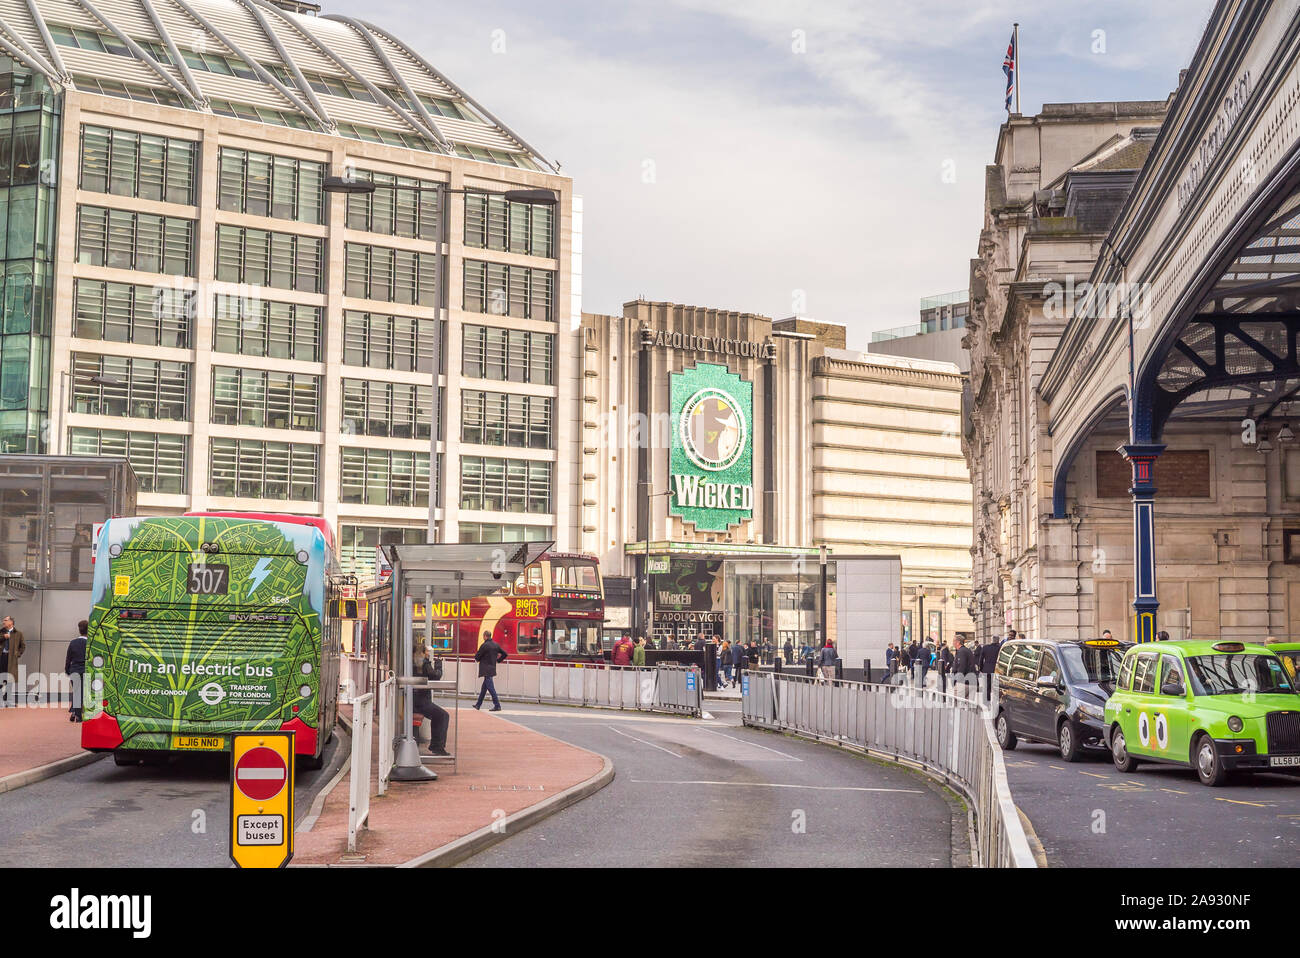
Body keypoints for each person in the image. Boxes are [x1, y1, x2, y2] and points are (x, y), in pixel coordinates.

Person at [412, 641, 450, 755]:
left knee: (438, 716)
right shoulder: (424, 663)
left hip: (412, 699)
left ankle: (436, 745)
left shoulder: (411, 662)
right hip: (420, 702)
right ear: (423, 652)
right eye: (427, 651)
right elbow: (435, 676)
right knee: (442, 716)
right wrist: (439, 665)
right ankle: (437, 746)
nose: (428, 653)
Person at [473, 630, 507, 711]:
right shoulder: (496, 645)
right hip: (492, 668)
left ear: (485, 636)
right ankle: (478, 705)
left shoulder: (484, 645)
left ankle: (497, 705)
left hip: (485, 669)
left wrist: (479, 658)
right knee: (484, 688)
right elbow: (505, 654)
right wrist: (498, 660)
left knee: (491, 688)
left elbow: (477, 657)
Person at [65, 620, 88, 723]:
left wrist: (67, 670)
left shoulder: (73, 642)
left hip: (74, 670)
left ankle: (74, 712)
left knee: (76, 692)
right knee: (82, 693)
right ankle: (78, 716)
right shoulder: (90, 643)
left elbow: (68, 658)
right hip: (85, 670)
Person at [0, 615, 23, 707]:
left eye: (5, 620)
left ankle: (8, 701)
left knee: (9, 680)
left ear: (11, 622)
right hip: (1, 658)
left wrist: (18, 654)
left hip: (12, 660)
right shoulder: (1, 632)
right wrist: (4, 637)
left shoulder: (18, 633)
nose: (3, 622)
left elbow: (23, 646)